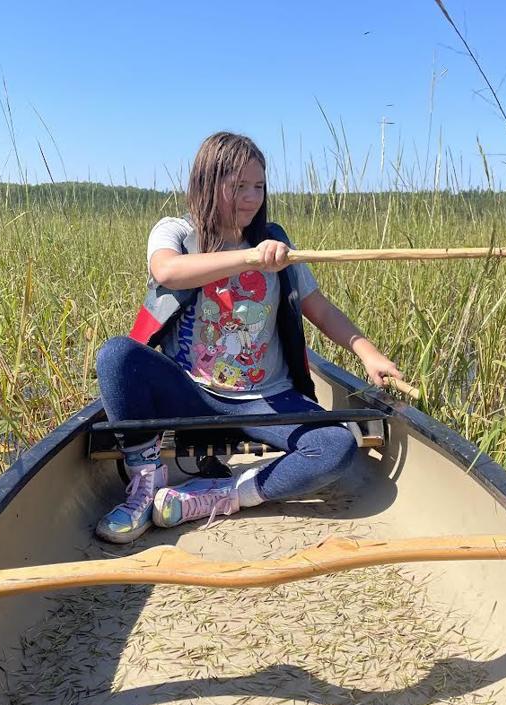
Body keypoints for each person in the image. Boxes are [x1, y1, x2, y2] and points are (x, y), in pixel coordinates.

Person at [94, 131, 404, 543]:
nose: (252, 197)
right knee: (116, 356)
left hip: (263, 396)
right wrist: (248, 258)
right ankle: (145, 485)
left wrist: (368, 353)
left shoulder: (276, 246)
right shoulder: (177, 232)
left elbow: (321, 309)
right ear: (208, 183)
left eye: (259, 186)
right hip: (191, 391)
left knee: (335, 447)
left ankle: (221, 495)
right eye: (239, 186)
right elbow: (166, 271)